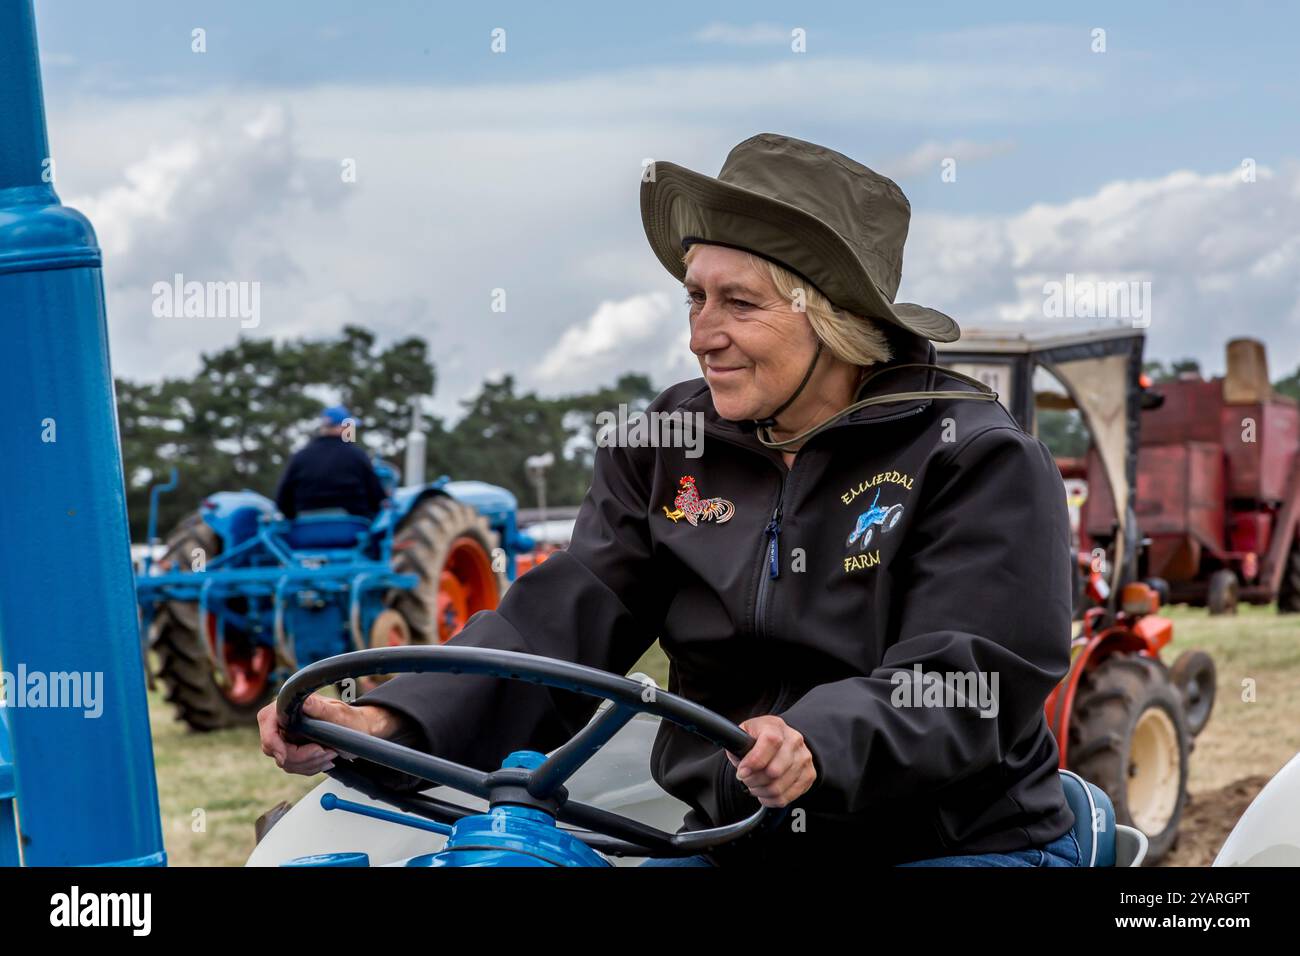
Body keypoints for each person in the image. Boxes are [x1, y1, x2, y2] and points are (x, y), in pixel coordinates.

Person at [259, 134, 1080, 867]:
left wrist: (817, 741)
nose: (700, 333)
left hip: (944, 842)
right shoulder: (669, 441)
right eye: (695, 296)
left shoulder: (972, 453)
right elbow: (564, 621)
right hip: (732, 834)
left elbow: (966, 677)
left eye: (740, 302)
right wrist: (396, 724)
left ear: (834, 321)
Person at [274, 405, 386, 521]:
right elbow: (377, 498)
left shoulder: (300, 456)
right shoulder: (357, 455)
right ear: (344, 427)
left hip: (306, 532)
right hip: (351, 531)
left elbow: (282, 500)